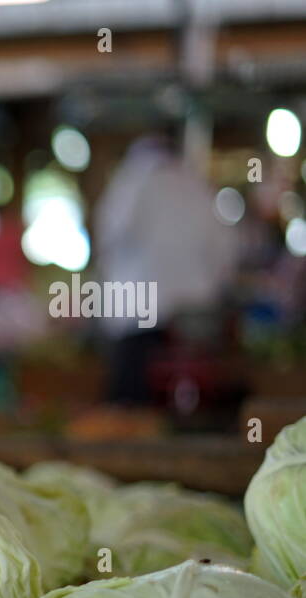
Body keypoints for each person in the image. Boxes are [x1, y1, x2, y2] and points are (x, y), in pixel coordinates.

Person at [92, 133, 235, 403]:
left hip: (138, 321)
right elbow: (225, 252)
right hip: (194, 322)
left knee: (133, 415)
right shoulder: (197, 185)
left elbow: (108, 238)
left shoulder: (131, 182)